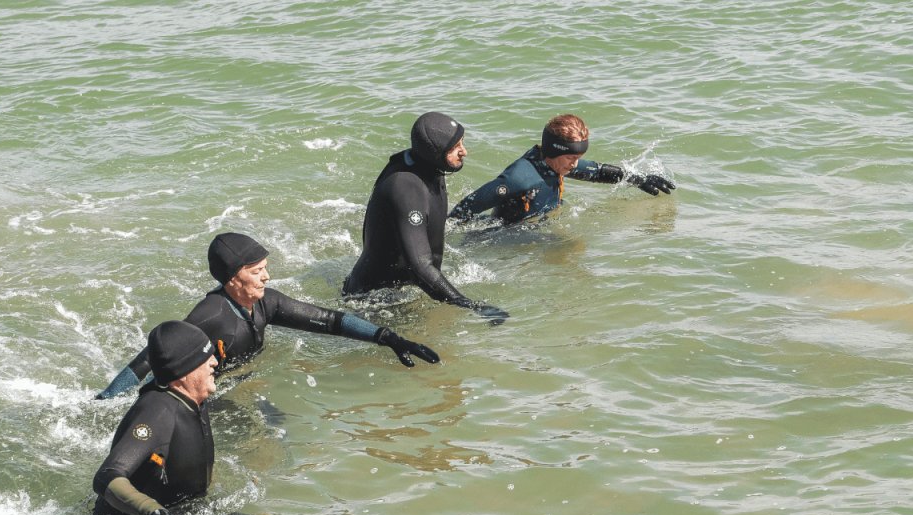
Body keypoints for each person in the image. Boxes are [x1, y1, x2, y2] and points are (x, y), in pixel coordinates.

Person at [96, 232, 439, 399]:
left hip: (240, 380)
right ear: (233, 277)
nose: (267, 277)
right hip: (206, 393)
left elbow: (329, 320)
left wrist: (386, 337)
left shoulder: (266, 303)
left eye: (266, 269)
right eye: (257, 271)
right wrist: (106, 402)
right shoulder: (209, 315)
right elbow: (149, 360)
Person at [342, 111, 509, 324]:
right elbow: (420, 266)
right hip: (372, 303)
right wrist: (471, 305)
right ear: (435, 152)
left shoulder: (430, 165)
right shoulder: (405, 187)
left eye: (462, 143)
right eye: (455, 147)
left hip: (406, 289)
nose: (464, 152)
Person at [92, 320, 222, 515]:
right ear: (183, 371)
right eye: (205, 358)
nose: (215, 362)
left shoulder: (195, 399)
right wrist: (155, 514)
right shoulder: (158, 411)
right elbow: (107, 476)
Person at [449, 114, 675, 225]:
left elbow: (596, 172)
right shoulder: (519, 178)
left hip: (539, 222)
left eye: (579, 157)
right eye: (571, 158)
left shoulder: (556, 163)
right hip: (509, 235)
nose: (576, 165)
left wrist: (637, 179)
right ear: (554, 151)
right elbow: (464, 209)